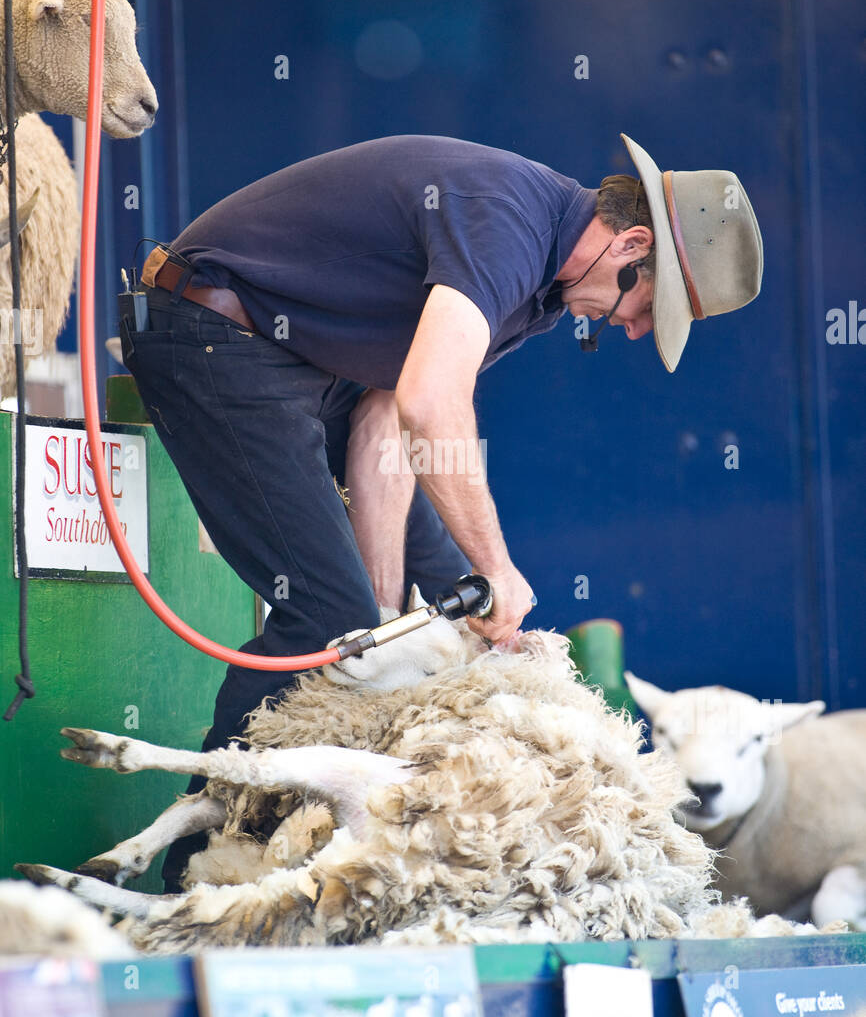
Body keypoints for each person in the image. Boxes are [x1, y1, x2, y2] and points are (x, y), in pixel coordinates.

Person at [122, 132, 762, 889]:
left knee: (456, 616)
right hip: (209, 334)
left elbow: (387, 420)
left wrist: (389, 616)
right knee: (326, 618)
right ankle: (197, 880)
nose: (627, 330)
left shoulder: (540, 292)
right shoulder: (506, 222)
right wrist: (488, 569)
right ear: (629, 242)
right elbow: (432, 405)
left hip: (297, 365)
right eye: (643, 306)